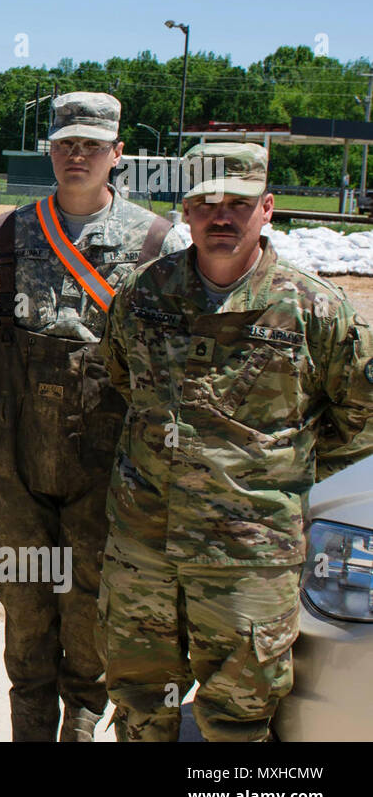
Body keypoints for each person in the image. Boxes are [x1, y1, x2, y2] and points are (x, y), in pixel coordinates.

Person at [98, 142, 373, 740]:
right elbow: (122, 377)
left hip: (249, 558)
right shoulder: (144, 295)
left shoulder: (314, 310)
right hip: (144, 547)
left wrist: (272, 476)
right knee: (141, 701)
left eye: (238, 204)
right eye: (205, 203)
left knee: (238, 716)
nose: (221, 217)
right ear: (186, 210)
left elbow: (360, 419)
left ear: (267, 209)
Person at [0, 91, 184, 741]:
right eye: (65, 143)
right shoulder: (6, 236)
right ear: (50, 151)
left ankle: (80, 733)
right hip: (19, 474)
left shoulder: (158, 244)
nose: (77, 155)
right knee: (26, 622)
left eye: (92, 144)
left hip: (107, 482)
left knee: (90, 626)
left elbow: (171, 372)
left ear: (118, 154)